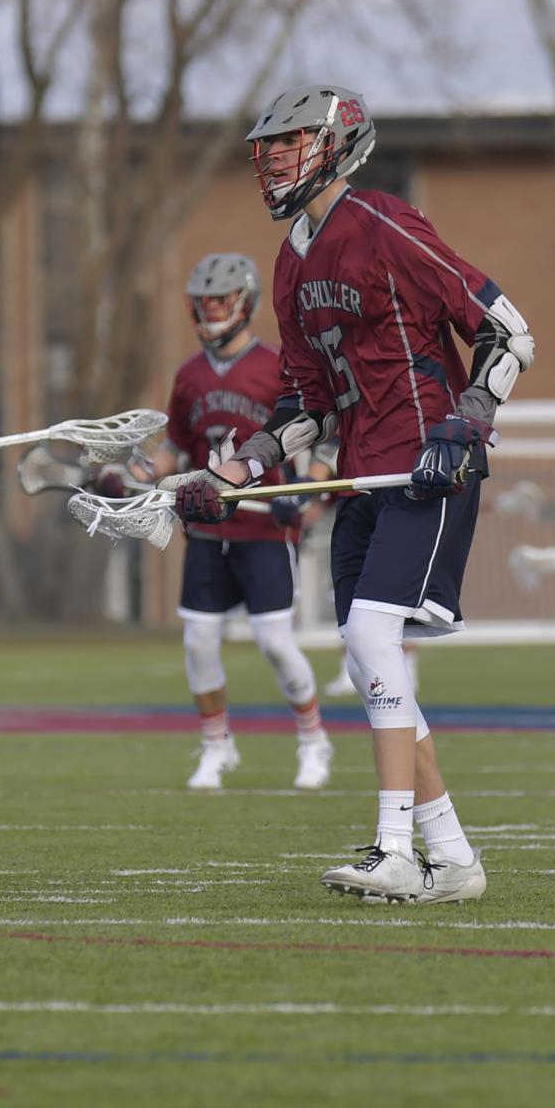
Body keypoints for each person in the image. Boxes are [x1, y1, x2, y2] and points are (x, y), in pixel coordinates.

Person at [169, 83, 533, 905]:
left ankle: (395, 848)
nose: (274, 165)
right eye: (267, 152)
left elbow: (509, 331)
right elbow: (306, 404)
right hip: (361, 472)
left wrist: (466, 422)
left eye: (290, 146)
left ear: (337, 145)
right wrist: (234, 473)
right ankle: (456, 861)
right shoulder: (292, 258)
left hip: (427, 464)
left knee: (374, 641)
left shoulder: (386, 224)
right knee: (375, 667)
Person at [153, 252, 334, 791]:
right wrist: (137, 471)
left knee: (276, 643)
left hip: (265, 530)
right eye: (203, 303)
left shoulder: (278, 365)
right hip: (208, 530)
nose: (210, 312)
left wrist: (305, 501)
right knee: (198, 641)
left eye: (220, 302)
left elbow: (324, 435)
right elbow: (176, 447)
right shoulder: (188, 375)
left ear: (245, 302)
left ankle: (313, 739)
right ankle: (216, 745)